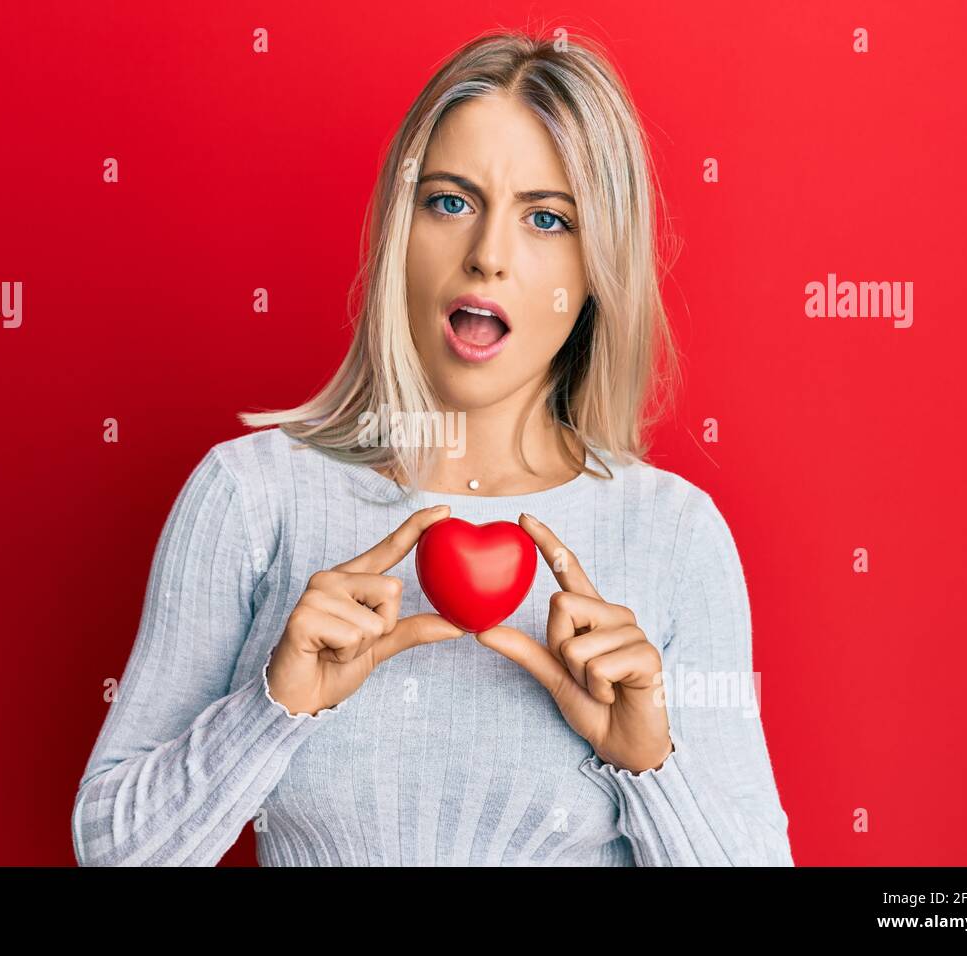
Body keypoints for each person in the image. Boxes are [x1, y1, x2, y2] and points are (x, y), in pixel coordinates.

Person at [71, 28, 794, 866]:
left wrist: (649, 766)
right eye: (450, 202)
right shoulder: (252, 495)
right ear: (398, 231)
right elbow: (112, 850)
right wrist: (272, 709)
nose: (487, 256)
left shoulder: (675, 534)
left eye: (546, 219)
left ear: (599, 266)